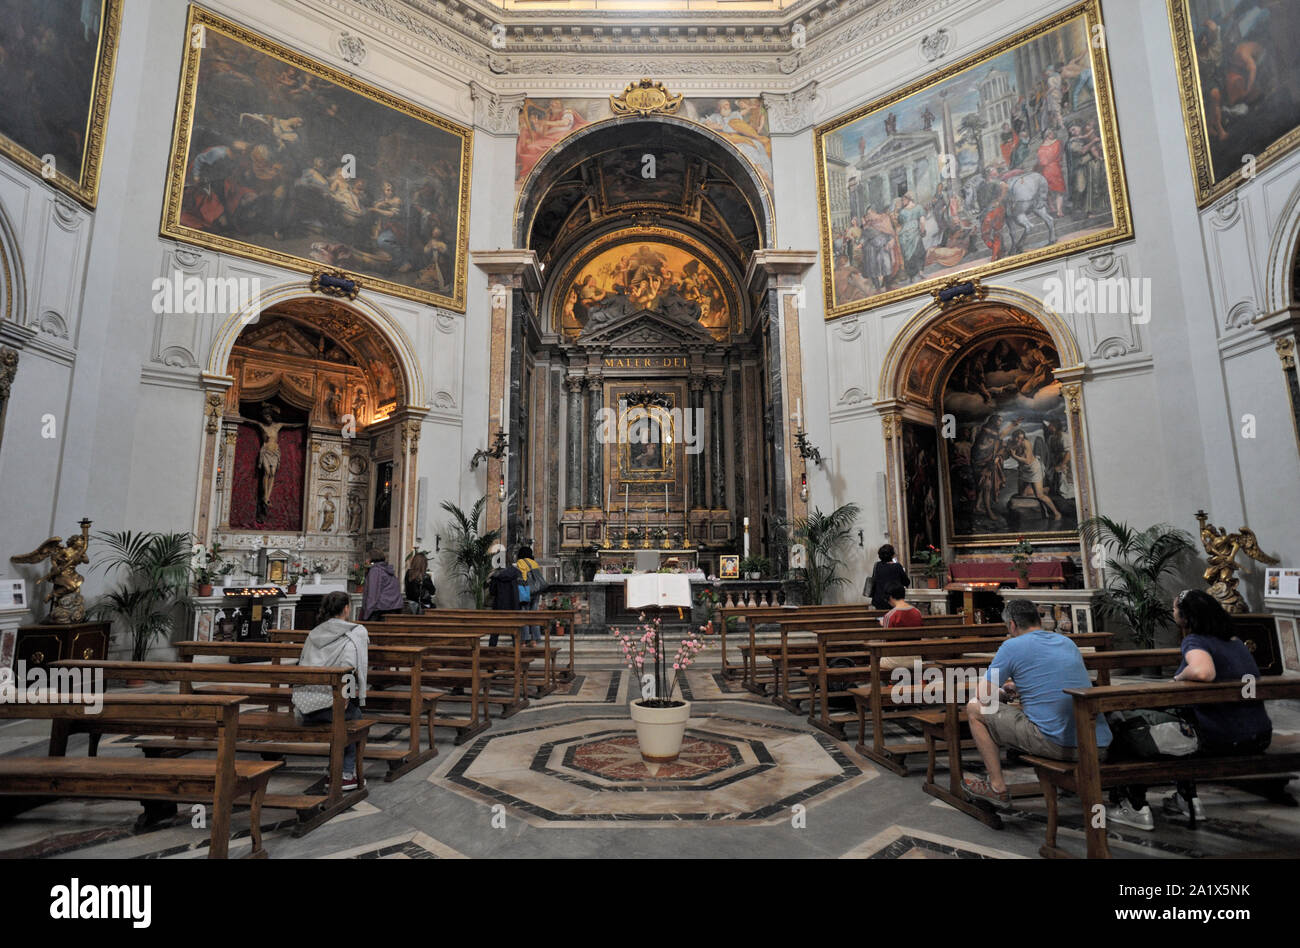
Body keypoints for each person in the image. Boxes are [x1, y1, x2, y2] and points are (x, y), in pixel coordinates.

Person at [1105, 589, 1272, 830]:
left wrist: (1179, 677)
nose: (1172, 612)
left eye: (1175, 609)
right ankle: (1187, 799)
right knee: (1175, 727)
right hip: (1258, 736)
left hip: (1218, 739)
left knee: (1128, 727)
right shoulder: (1235, 642)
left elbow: (1204, 672)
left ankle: (1135, 806)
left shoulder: (1195, 641)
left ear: (1186, 617)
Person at [962, 599, 1112, 808]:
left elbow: (982, 695)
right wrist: (1021, 686)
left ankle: (997, 787)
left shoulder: (1012, 646)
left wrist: (1002, 693)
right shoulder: (1066, 642)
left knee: (974, 708)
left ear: (1012, 625)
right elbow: (1057, 679)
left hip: (1059, 744)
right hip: (1098, 742)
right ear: (1037, 619)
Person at [292, 592, 368, 792]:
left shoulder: (314, 633)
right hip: (332, 703)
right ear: (346, 609)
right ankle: (345, 773)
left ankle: (334, 768)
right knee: (354, 718)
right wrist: (348, 698)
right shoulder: (354, 633)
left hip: (305, 704)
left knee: (344, 714)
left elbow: (303, 663)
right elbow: (348, 669)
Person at [487, 547, 522, 648]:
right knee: (514, 631)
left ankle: (491, 650)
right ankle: (517, 651)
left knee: (495, 631)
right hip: (513, 605)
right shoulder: (515, 572)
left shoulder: (496, 575)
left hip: (499, 605)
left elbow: (492, 592)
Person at [360, 553, 403, 621]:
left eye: (367, 558)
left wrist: (366, 614)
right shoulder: (387, 569)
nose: (366, 561)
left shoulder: (375, 570)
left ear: (371, 559)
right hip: (395, 607)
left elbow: (373, 594)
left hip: (380, 609)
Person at [866, 544, 909, 610]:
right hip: (892, 601)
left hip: (878, 601)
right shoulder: (897, 566)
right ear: (892, 555)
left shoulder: (877, 565)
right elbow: (906, 582)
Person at [516, 544, 542, 645]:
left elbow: (522, 577)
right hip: (536, 591)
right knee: (534, 615)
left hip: (526, 590)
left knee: (524, 614)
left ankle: (524, 640)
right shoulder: (534, 563)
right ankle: (534, 640)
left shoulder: (520, 562)